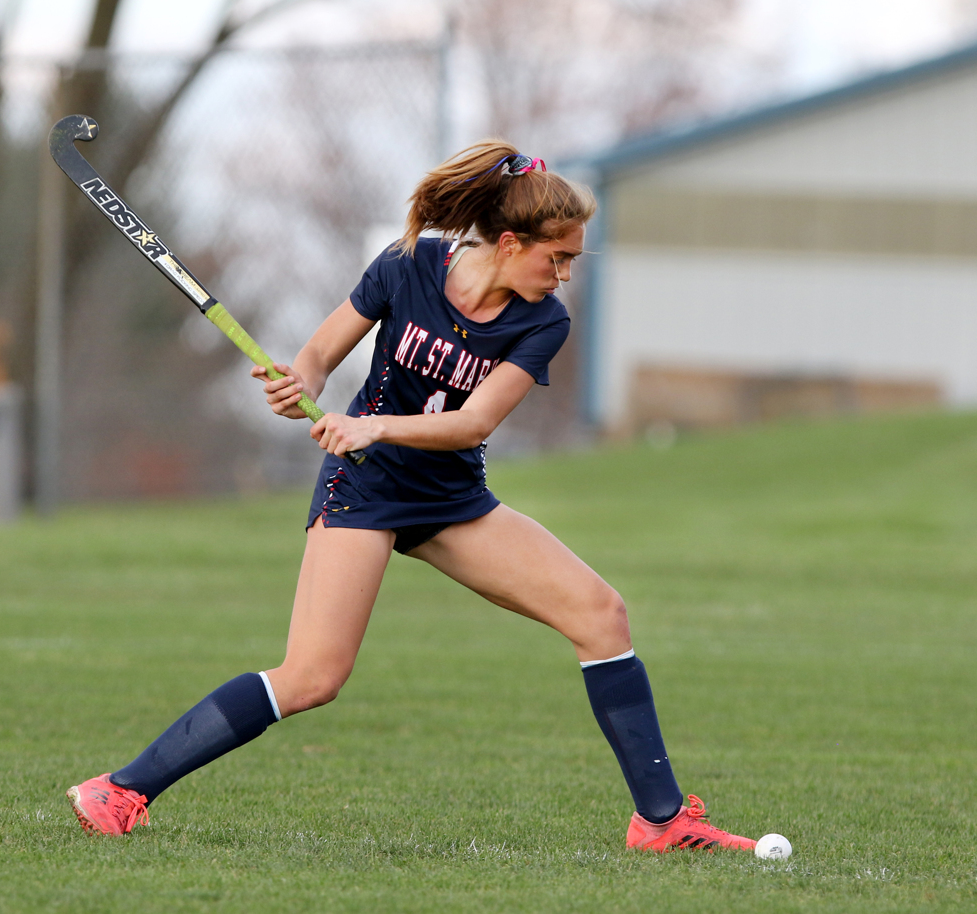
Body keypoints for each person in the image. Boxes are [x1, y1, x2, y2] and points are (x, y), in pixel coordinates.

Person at [66, 142, 756, 853]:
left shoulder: (543, 320)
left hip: (450, 497)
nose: (564, 276)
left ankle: (661, 821)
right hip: (363, 489)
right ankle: (120, 788)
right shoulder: (408, 265)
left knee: (602, 614)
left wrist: (375, 425)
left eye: (572, 261)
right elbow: (318, 355)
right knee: (312, 677)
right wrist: (299, 385)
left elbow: (474, 423)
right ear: (510, 243)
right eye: (557, 258)